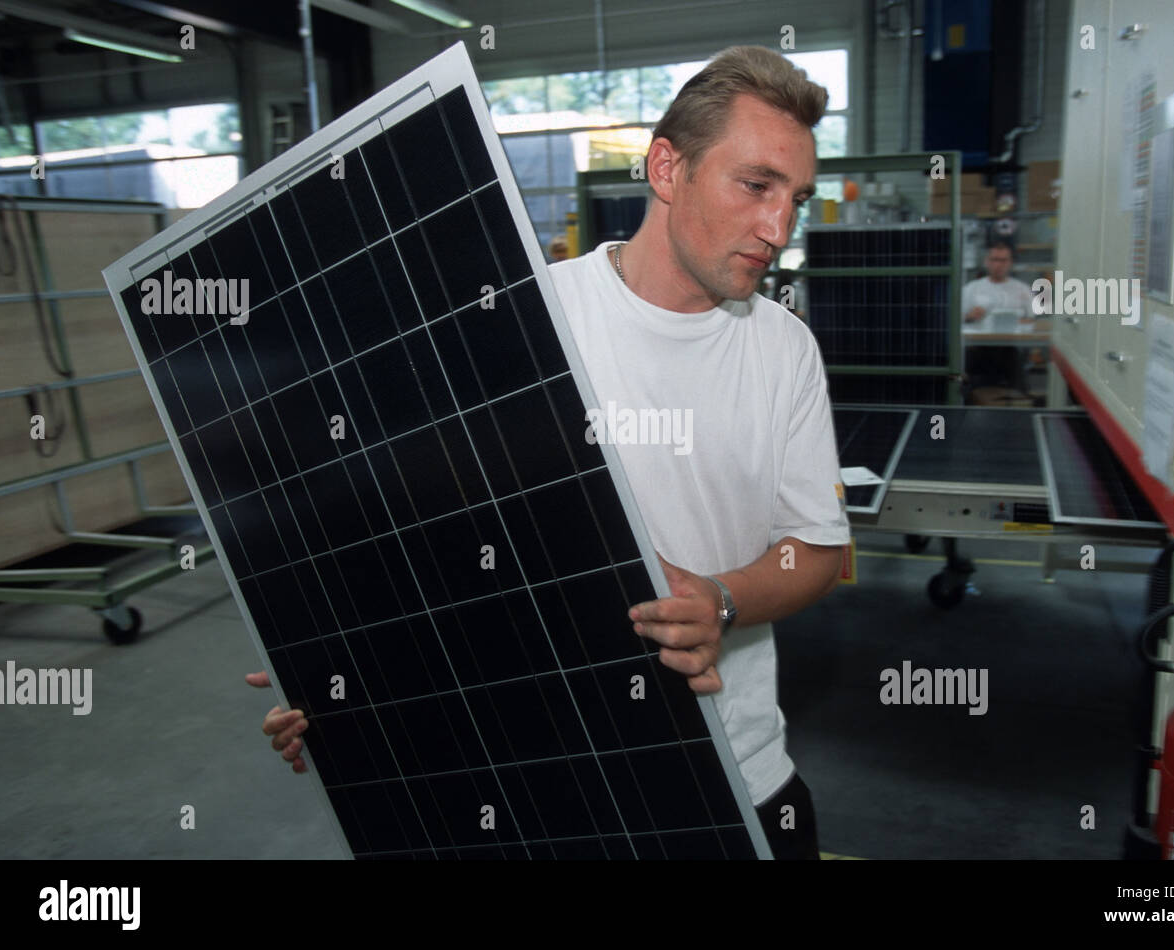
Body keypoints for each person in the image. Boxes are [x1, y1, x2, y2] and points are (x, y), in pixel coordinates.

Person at [248, 45, 850, 860]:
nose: (778, 228)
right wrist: (339, 668)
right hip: (550, 783)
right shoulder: (522, 323)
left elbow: (817, 551)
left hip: (741, 779)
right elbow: (431, 540)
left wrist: (722, 599)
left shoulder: (786, 351)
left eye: (796, 199)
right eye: (755, 185)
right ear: (667, 169)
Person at [961, 238, 1033, 397]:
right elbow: (957, 321)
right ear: (986, 262)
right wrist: (969, 316)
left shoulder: (1023, 289)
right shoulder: (971, 289)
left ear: (1010, 262)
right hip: (978, 349)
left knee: (1011, 356)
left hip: (1012, 349)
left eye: (1003, 260)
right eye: (994, 260)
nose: (998, 264)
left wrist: (1019, 321)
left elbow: (1033, 320)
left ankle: (1019, 398)